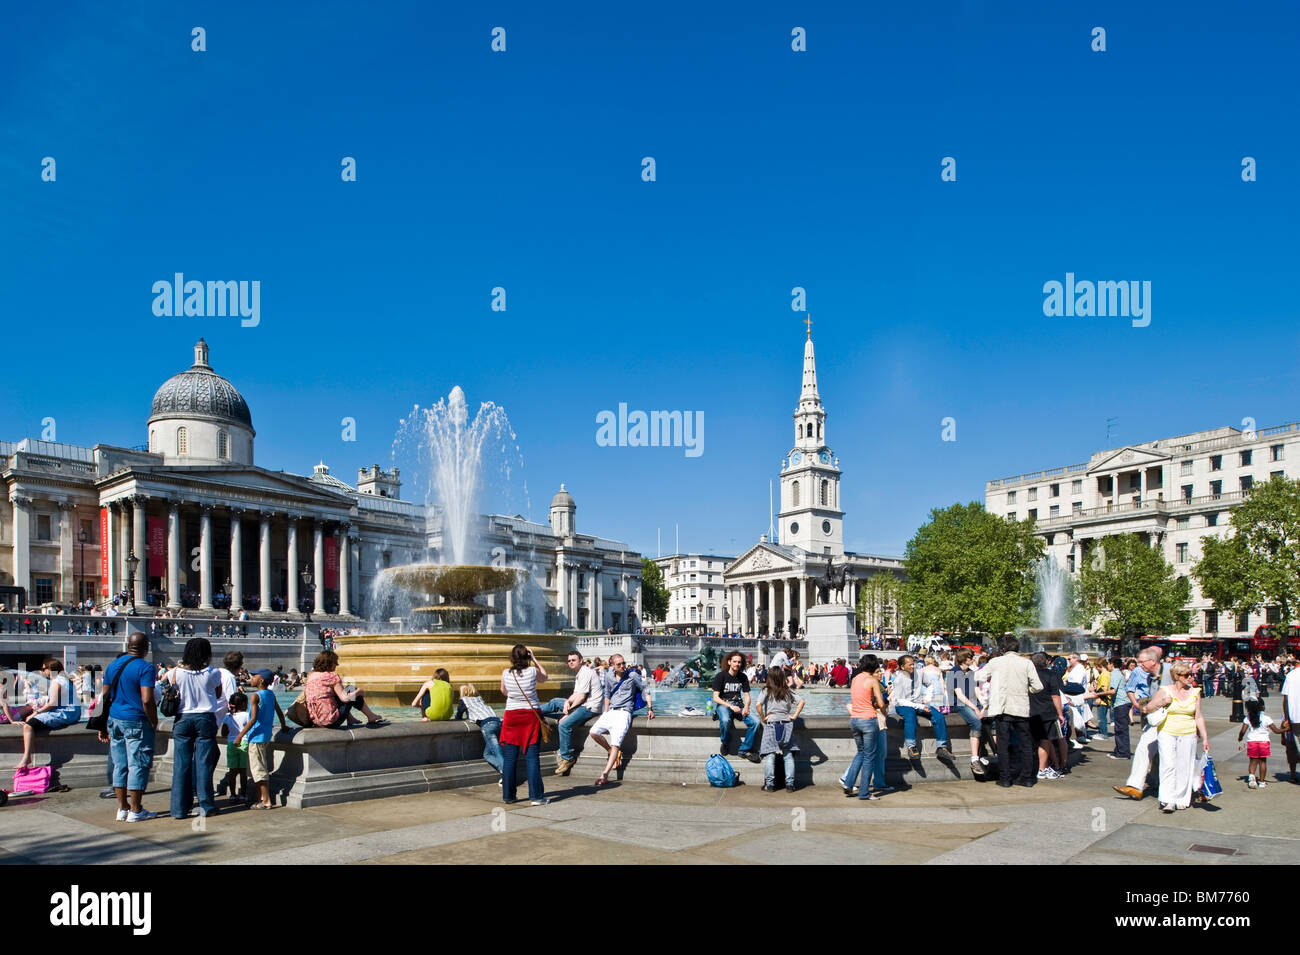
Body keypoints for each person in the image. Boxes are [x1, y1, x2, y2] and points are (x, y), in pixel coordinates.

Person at [100, 634, 160, 822]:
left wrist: (102, 724)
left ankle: (122, 808)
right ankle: (136, 810)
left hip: (114, 719)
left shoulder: (113, 665)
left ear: (128, 645)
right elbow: (147, 699)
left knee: (120, 764)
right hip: (136, 720)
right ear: (146, 647)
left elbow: (104, 696)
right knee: (138, 764)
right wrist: (154, 720)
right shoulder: (145, 667)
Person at [165, 637, 224, 819]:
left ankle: (179, 809)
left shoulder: (174, 673)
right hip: (205, 717)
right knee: (204, 763)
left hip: (183, 718)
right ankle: (205, 805)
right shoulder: (213, 673)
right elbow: (219, 693)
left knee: (181, 764)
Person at [1137, 661, 1208, 812]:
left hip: (1188, 733)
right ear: (1177, 676)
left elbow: (1199, 716)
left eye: (1191, 674)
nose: (1191, 677)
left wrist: (1205, 737)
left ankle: (1181, 797)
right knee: (1168, 765)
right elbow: (1147, 708)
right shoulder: (1165, 691)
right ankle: (1168, 799)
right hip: (1167, 732)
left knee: (1184, 766)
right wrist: (1162, 702)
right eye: (1187, 675)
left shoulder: (1195, 692)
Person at [978, 635, 1043, 787]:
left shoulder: (996, 662)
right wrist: (1027, 689)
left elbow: (979, 675)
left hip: (1002, 707)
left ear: (1003, 648)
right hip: (1020, 707)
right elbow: (1038, 686)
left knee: (1003, 744)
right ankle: (1027, 778)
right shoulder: (1026, 663)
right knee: (1026, 744)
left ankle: (1005, 778)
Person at [589, 653, 653, 786]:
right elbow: (607, 694)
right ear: (612, 665)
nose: (623, 666)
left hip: (624, 713)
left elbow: (646, 689)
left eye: (623, 663)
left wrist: (650, 708)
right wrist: (605, 712)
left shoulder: (632, 675)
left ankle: (604, 775)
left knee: (615, 744)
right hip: (611, 711)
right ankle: (611, 751)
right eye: (619, 664)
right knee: (593, 732)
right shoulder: (608, 676)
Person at [538, 650, 604, 776]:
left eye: (573, 660)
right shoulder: (580, 672)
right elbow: (576, 694)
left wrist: (568, 712)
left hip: (590, 707)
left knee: (563, 725)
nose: (571, 662)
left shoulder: (585, 673)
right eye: (569, 661)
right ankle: (534, 711)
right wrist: (568, 702)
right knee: (556, 702)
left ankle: (568, 758)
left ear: (581, 660)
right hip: (583, 704)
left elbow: (582, 697)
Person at [500, 644, 548, 806]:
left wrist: (515, 695)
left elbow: (504, 692)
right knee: (532, 757)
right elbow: (545, 677)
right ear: (526, 656)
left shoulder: (506, 673)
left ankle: (508, 796)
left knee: (509, 758)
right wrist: (534, 659)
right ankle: (536, 797)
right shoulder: (533, 671)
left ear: (512, 658)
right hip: (530, 716)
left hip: (511, 716)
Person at [232, 669, 287, 809]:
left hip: (256, 737)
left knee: (258, 770)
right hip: (266, 735)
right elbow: (279, 712)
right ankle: (260, 798)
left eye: (254, 676)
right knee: (261, 767)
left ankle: (266, 801)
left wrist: (239, 735)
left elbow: (253, 719)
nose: (251, 678)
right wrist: (284, 726)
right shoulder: (270, 694)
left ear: (261, 680)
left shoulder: (255, 696)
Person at [1114, 647, 1164, 799]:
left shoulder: (1170, 671)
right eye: (1139, 662)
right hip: (1152, 713)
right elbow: (1131, 689)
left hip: (1172, 716)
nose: (1139, 665)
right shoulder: (1145, 674)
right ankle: (1135, 786)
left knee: (1182, 753)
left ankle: (1199, 784)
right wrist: (1138, 705)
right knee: (1144, 747)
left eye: (1142, 662)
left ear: (1154, 660)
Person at [15, 657, 81, 770]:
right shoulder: (64, 680)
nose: (43, 671)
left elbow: (52, 704)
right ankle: (28, 757)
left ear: (50, 669)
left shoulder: (57, 682)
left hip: (64, 713)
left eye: (43, 668)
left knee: (28, 725)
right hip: (72, 713)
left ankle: (27, 758)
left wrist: (35, 713)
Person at [304, 650, 388, 728]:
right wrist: (359, 692)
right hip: (331, 722)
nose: (337, 665)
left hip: (316, 721)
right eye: (335, 662)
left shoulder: (311, 676)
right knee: (351, 690)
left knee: (342, 692)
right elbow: (344, 699)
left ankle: (351, 718)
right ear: (329, 663)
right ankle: (371, 716)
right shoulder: (331, 676)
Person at [841, 654, 886, 800]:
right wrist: (884, 712)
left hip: (854, 720)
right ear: (873, 666)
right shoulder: (872, 680)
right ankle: (864, 792)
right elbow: (881, 703)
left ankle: (848, 783)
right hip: (868, 720)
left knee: (860, 753)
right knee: (869, 757)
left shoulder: (854, 679)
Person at [891, 655, 951, 759]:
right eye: (910, 665)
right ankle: (911, 746)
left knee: (939, 716)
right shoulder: (898, 679)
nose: (913, 666)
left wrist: (928, 697)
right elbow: (901, 700)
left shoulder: (919, 672)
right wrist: (920, 706)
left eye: (913, 664)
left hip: (919, 703)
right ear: (902, 667)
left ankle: (941, 747)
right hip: (903, 705)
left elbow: (929, 684)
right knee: (910, 715)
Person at [756, 666, 804, 792]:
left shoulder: (766, 690)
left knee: (770, 755)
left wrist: (763, 718)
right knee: (788, 755)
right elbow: (802, 702)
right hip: (787, 724)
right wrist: (794, 716)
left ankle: (770, 785)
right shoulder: (787, 690)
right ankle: (790, 785)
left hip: (772, 724)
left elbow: (758, 705)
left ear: (769, 677)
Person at [712, 651, 761, 762]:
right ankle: (725, 742)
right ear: (729, 662)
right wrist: (730, 705)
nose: (737, 664)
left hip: (739, 706)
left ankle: (743, 749)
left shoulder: (743, 677)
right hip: (724, 705)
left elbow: (747, 696)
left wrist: (747, 707)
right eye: (734, 661)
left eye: (739, 662)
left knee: (756, 722)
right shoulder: (721, 676)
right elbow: (716, 698)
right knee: (725, 720)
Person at [949, 649, 992, 776]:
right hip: (959, 704)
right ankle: (974, 759)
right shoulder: (954, 672)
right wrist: (976, 708)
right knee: (976, 722)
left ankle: (994, 753)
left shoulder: (971, 673)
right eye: (971, 657)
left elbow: (976, 691)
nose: (973, 659)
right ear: (964, 658)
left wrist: (984, 704)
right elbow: (960, 695)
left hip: (971, 701)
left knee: (990, 718)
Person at [1030, 652, 1066, 779]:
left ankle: (1034, 767)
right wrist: (1060, 713)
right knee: (1045, 740)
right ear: (1046, 662)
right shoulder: (1051, 675)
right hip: (1047, 713)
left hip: (1029, 712)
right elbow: (1055, 696)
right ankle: (1042, 768)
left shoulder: (1028, 675)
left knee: (1031, 741)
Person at [455, 684, 503, 776]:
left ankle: (507, 775)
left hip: (488, 726)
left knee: (497, 752)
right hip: (499, 723)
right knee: (487, 754)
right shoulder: (480, 699)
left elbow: (459, 715)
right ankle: (502, 768)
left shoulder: (463, 700)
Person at [1238, 698, 1283, 789]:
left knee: (1253, 761)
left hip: (1252, 741)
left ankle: (1252, 779)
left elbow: (1242, 731)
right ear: (1262, 707)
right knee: (1263, 762)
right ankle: (1262, 782)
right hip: (1264, 742)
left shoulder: (1248, 718)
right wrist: (1286, 729)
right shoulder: (1266, 718)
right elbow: (1276, 731)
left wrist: (1240, 737)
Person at [217, 691, 250, 804]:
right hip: (244, 743)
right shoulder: (247, 715)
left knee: (232, 771)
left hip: (231, 744)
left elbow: (224, 733)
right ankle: (243, 794)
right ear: (243, 704)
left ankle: (232, 794)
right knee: (243, 771)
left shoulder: (228, 717)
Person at [1282, 656, 1300, 783]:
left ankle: (1293, 774)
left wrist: (1286, 719)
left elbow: (1286, 699)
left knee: (1292, 746)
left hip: (1295, 717)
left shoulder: (1290, 676)